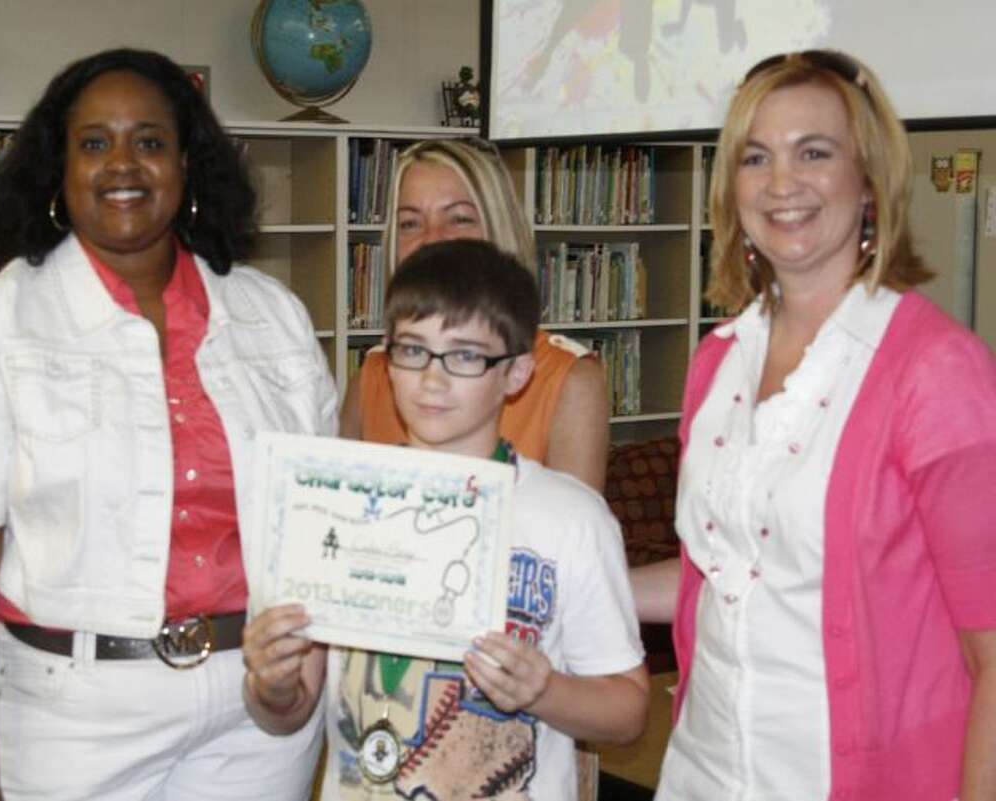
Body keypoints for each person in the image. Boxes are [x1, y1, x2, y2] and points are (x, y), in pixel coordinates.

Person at [0, 49, 337, 801]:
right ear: (58, 171)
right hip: (69, 720)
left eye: (151, 141)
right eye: (94, 142)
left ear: (188, 164)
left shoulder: (273, 315)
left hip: (259, 710)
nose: (122, 164)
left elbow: (320, 525)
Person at [641, 50, 996, 800]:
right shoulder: (718, 361)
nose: (781, 184)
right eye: (755, 157)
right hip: (703, 774)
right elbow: (728, 571)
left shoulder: (936, 371)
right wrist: (546, 562)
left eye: (815, 152)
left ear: (869, 180)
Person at [243, 239, 649, 800]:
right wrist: (272, 682)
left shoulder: (569, 518)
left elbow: (627, 713)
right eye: (413, 350)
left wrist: (542, 689)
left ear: (517, 372)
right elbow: (287, 712)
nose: (432, 379)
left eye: (464, 356)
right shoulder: (334, 502)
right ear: (385, 358)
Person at [339, 138, 611, 491]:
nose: (433, 239)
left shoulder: (568, 379)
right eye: (410, 223)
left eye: (459, 218)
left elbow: (570, 531)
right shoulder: (371, 376)